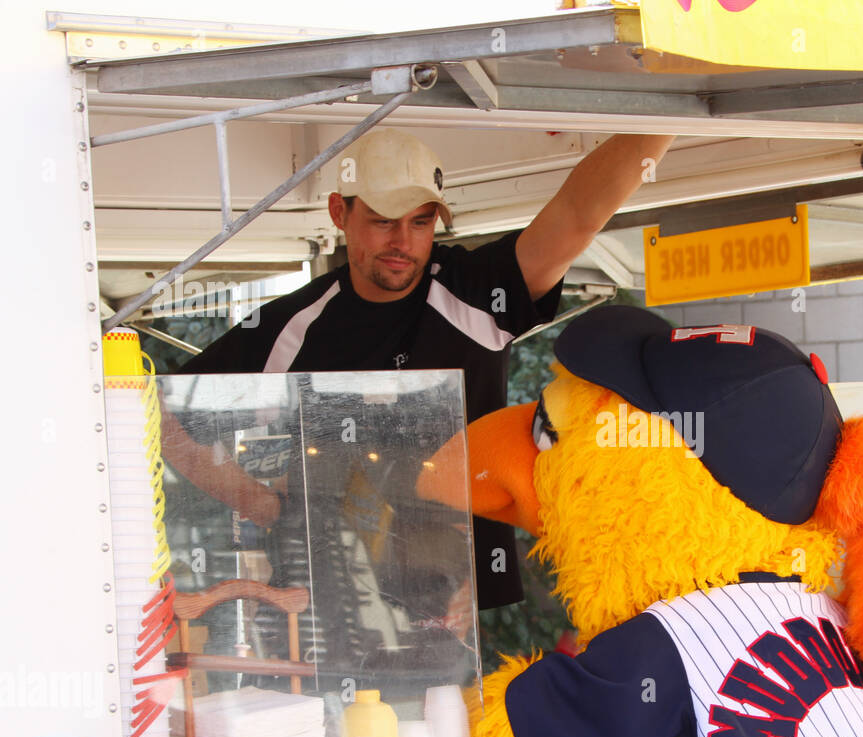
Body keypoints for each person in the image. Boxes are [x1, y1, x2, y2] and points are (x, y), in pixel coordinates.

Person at [172, 128, 675, 611]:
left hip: (469, 602)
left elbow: (578, 215)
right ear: (337, 212)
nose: (403, 242)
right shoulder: (289, 326)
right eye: (383, 221)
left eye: (421, 222)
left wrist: (664, 106)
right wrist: (255, 502)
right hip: (328, 600)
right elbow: (163, 420)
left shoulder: (476, 291)